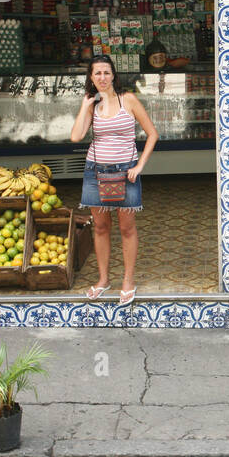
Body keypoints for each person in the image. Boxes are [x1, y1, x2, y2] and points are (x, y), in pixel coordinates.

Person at [71, 55, 158, 307]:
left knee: (127, 227)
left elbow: (152, 134)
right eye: (97, 73)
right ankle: (103, 279)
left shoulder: (127, 99)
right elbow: (76, 136)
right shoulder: (92, 105)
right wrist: (84, 106)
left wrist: (139, 166)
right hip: (95, 171)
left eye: (106, 73)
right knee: (100, 227)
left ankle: (128, 280)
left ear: (113, 75)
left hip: (126, 171)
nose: (102, 78)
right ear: (91, 77)